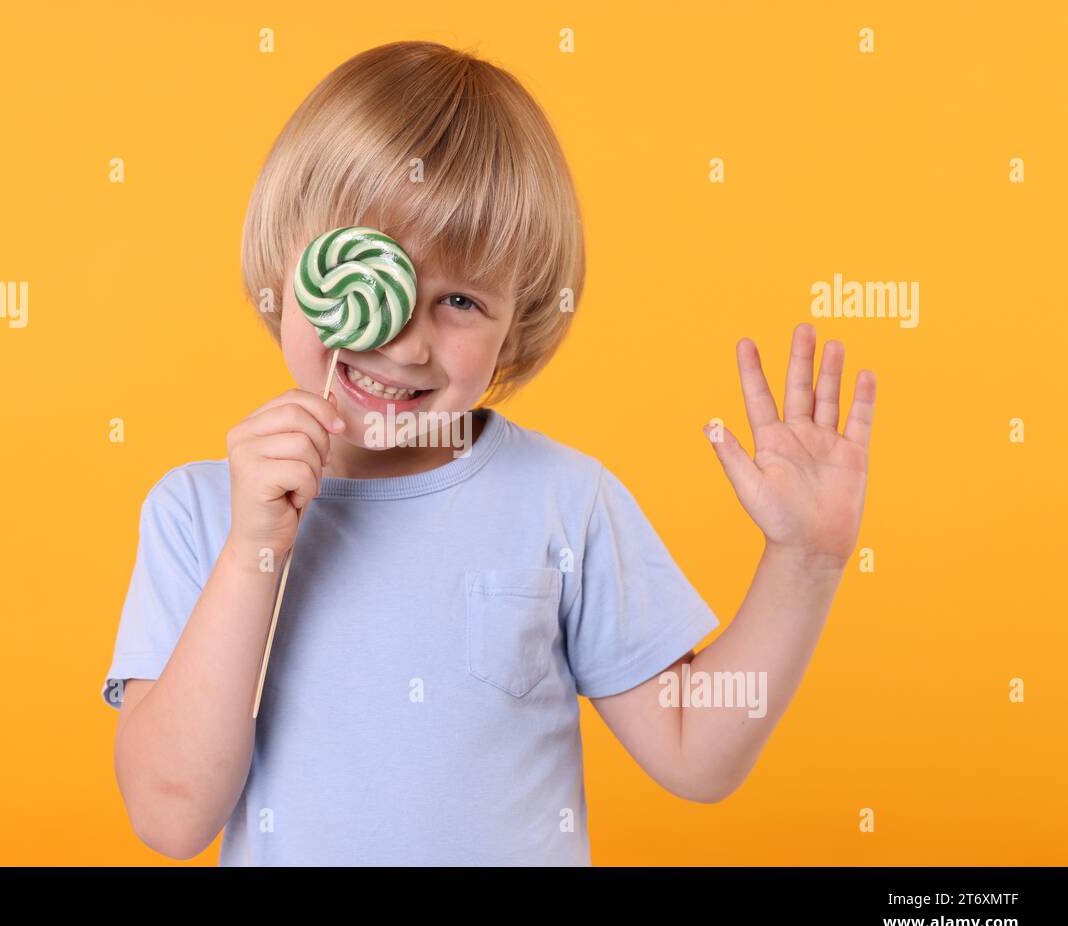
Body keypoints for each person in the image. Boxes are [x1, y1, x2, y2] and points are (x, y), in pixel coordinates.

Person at [100, 40, 876, 865]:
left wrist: (805, 560)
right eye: (372, 272)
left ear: (519, 321)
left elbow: (697, 749)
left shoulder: (564, 502)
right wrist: (255, 549)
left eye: (460, 300)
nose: (400, 340)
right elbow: (170, 817)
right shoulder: (196, 512)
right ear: (290, 264)